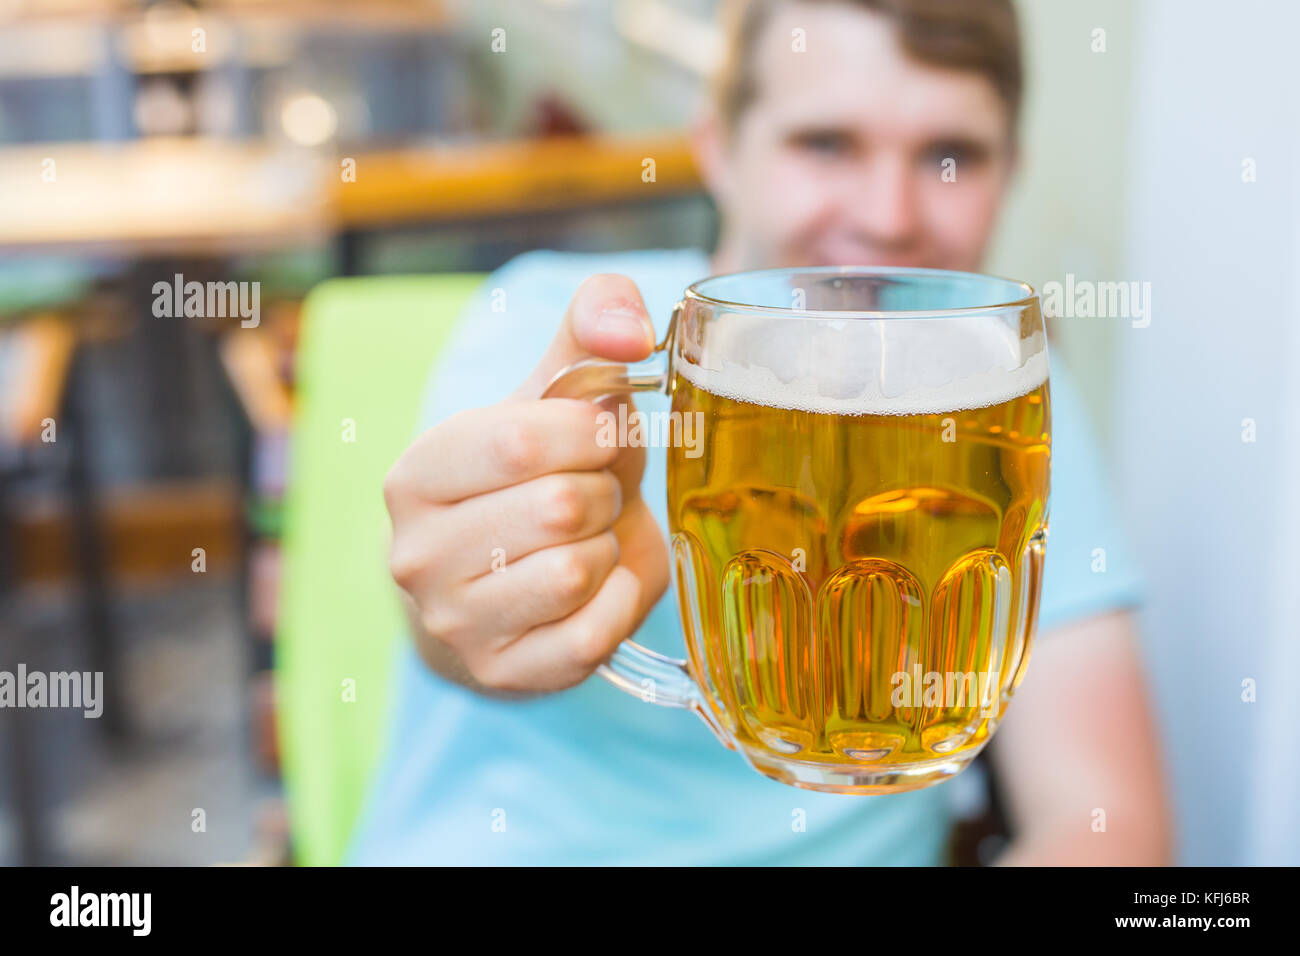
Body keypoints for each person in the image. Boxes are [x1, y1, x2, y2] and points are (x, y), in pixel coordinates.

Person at [352, 0, 1172, 865]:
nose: (889, 215)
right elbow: (442, 617)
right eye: (825, 143)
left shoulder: (1010, 400)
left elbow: (1106, 822)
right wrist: (479, 600)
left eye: (950, 156)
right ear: (719, 150)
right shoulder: (553, 322)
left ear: (1012, 171)